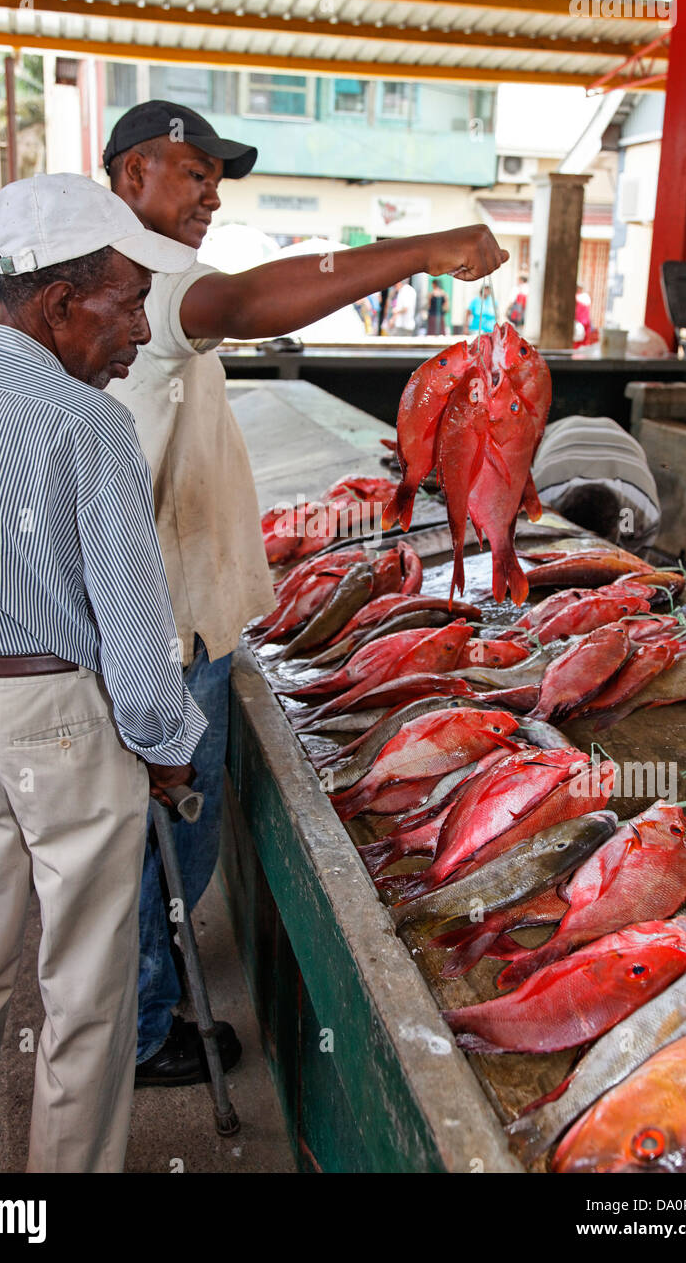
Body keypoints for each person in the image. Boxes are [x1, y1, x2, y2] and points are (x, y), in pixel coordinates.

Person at [103, 99, 509, 1085]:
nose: (208, 192)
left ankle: (139, 1006)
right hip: (163, 628)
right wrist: (420, 247)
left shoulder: (124, 277)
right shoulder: (135, 281)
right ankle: (148, 1025)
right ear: (129, 176)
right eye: (190, 170)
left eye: (215, 177)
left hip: (172, 610)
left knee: (158, 838)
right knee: (161, 840)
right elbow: (248, 303)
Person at [0, 173, 207, 1173]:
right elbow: (133, 628)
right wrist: (166, 752)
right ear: (60, 302)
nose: (137, 330)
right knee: (83, 987)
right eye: (125, 306)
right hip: (56, 719)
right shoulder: (89, 427)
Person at [531, 415, 661, 552]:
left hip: (620, 442)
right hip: (559, 434)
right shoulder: (540, 495)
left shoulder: (643, 512)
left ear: (617, 526)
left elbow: (638, 562)